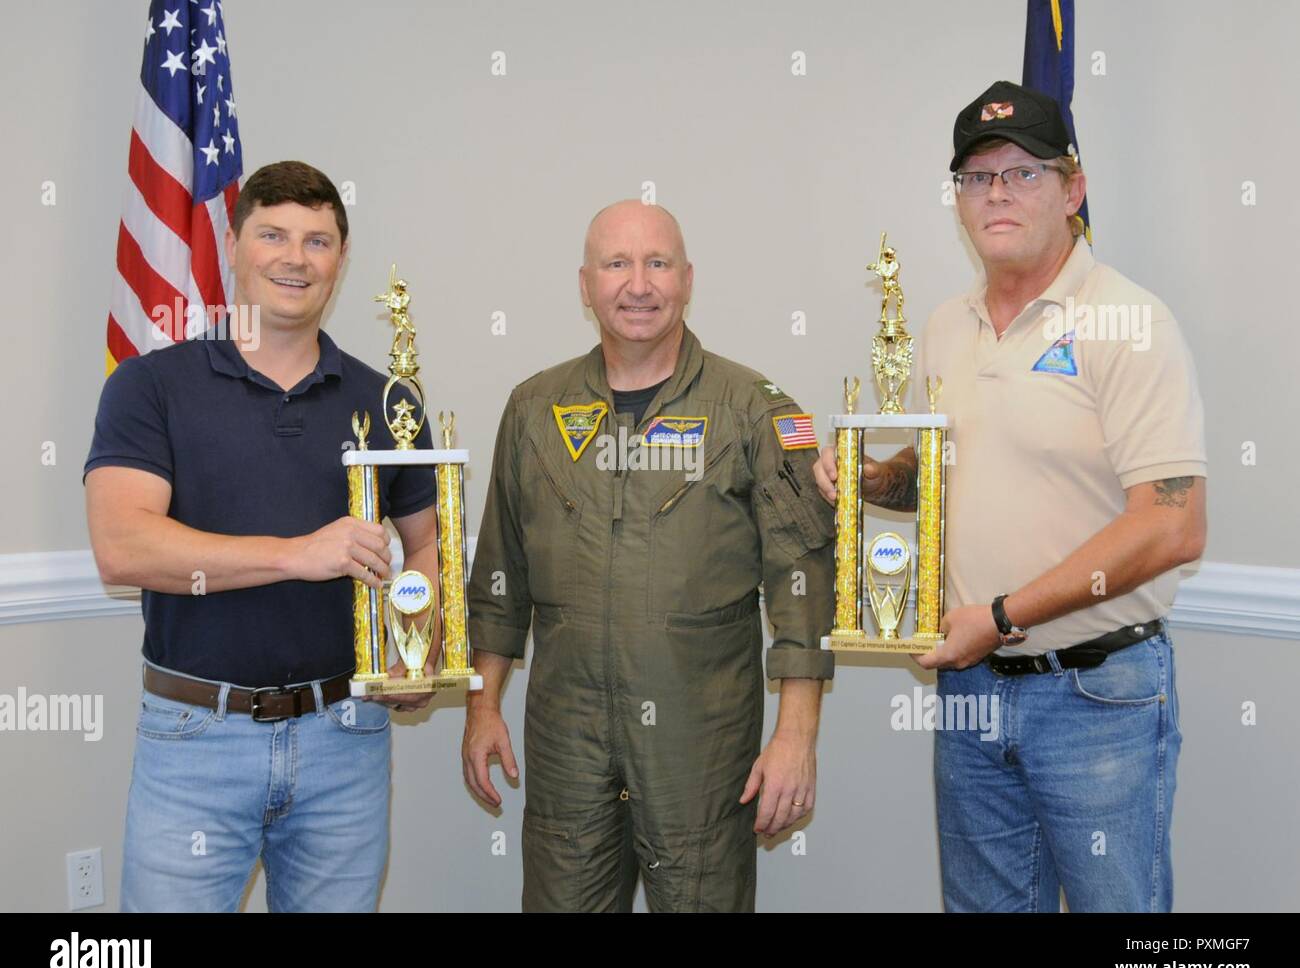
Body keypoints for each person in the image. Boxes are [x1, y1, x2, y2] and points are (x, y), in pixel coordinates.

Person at [815, 81, 1207, 912]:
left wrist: (997, 615)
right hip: (971, 694)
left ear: (1074, 189)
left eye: (1023, 172)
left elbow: (1173, 525)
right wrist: (863, 475)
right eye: (976, 175)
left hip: (1094, 695)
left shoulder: (1129, 323)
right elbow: (943, 475)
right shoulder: (945, 326)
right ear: (957, 199)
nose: (997, 192)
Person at [84, 161, 439, 912]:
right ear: (233, 244)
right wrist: (298, 555)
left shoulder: (387, 400)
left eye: (318, 240)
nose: (294, 257)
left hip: (347, 739)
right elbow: (123, 546)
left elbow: (428, 544)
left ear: (340, 261)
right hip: (195, 742)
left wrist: (421, 634)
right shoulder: (151, 386)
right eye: (273, 234)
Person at [463, 200, 835, 911]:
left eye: (657, 263)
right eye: (617, 264)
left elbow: (803, 589)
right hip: (567, 743)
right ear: (584, 284)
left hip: (701, 744)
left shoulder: (756, 411)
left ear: (688, 279)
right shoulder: (533, 410)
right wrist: (483, 708)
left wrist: (796, 737)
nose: (639, 284)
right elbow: (500, 586)